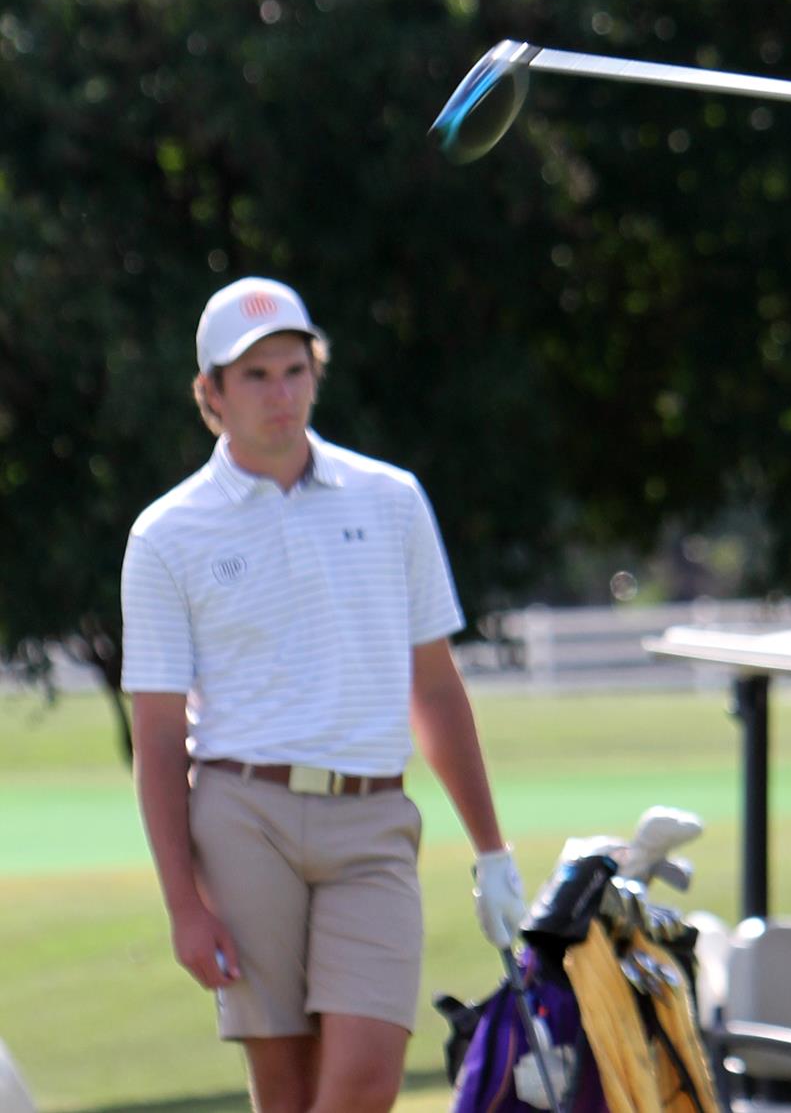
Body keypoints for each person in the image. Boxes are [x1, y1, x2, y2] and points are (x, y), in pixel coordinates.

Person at [121, 277, 530, 1113]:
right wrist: (183, 905)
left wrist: (490, 849)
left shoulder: (391, 499)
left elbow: (436, 688)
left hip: (374, 822)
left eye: (294, 369)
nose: (281, 394)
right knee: (286, 1087)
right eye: (255, 376)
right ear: (211, 393)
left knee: (364, 1081)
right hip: (242, 818)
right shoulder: (167, 533)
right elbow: (158, 734)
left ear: (316, 373)